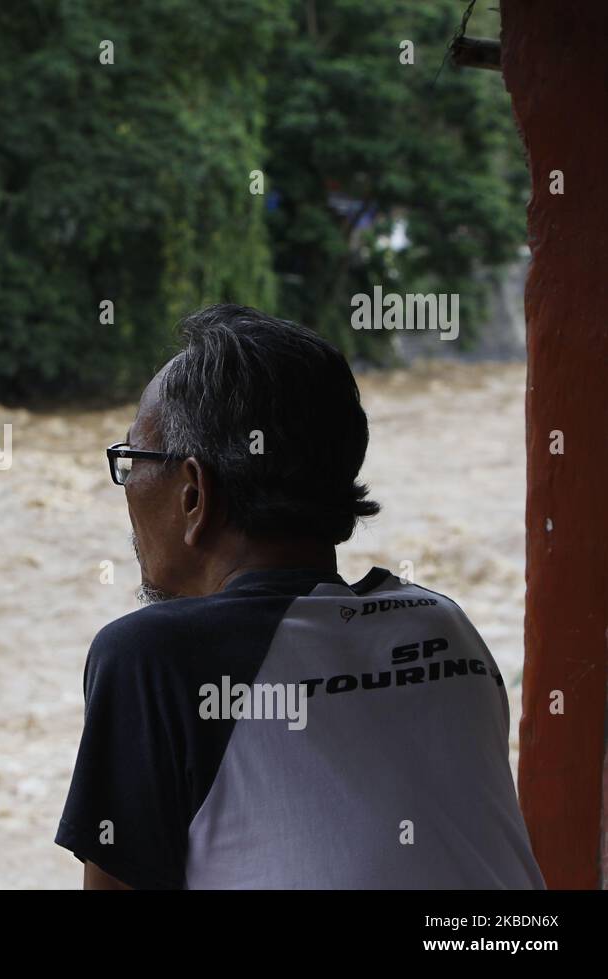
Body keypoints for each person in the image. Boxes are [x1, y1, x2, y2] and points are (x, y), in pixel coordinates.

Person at [54, 304, 544, 889]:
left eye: (133, 459)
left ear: (193, 495)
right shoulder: (445, 627)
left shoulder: (152, 656)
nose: (127, 486)